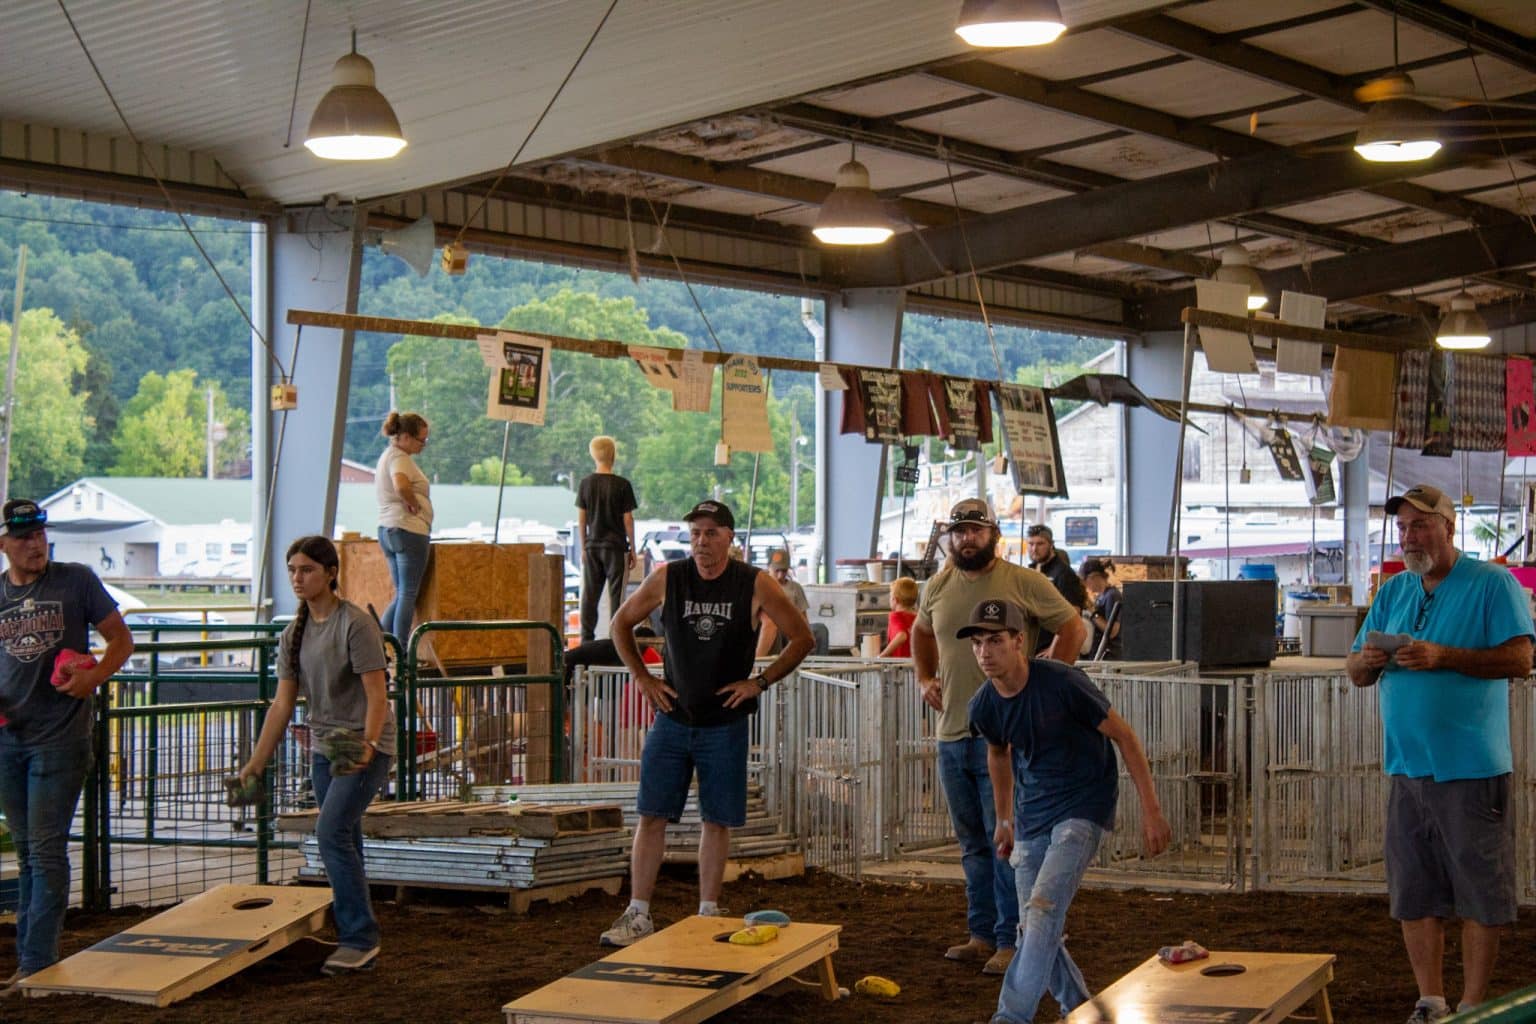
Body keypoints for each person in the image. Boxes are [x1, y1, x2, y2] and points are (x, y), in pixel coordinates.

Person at [1346, 485, 1534, 1023]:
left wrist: (1443, 656)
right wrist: (1371, 663)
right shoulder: (1393, 590)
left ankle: (1474, 1005)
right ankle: (1430, 1000)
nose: (1410, 537)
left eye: (1421, 525)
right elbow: (1354, 669)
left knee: (1480, 891)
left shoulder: (1492, 584)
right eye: (1403, 527)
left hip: (1471, 766)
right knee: (1414, 891)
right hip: (1407, 765)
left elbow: (1521, 659)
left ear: (1449, 528)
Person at [600, 500, 813, 947]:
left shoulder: (753, 583)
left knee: (717, 820)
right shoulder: (668, 577)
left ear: (730, 539)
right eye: (696, 532)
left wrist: (760, 681)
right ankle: (638, 912)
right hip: (673, 716)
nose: (702, 541)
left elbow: (802, 637)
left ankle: (709, 911)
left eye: (712, 532)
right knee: (651, 813)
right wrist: (642, 677)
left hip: (725, 720)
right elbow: (620, 624)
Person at [961, 599, 1170, 1024]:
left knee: (1040, 913)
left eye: (995, 640)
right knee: (1033, 927)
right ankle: (1082, 1009)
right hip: (1033, 811)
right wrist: (1004, 818)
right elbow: (998, 755)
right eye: (978, 642)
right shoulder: (984, 704)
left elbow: (1125, 736)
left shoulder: (1062, 683)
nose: (985, 652)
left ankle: (1011, 1017)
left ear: (1019, 642)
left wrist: (1151, 808)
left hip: (1083, 802)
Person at [912, 498, 1086, 978]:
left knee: (1008, 838)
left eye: (976, 530)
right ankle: (981, 933)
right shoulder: (937, 585)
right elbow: (921, 633)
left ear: (993, 535)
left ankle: (1013, 939)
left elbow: (1073, 626)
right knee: (972, 841)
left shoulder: (1024, 581)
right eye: (960, 530)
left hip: (1008, 735)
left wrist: (1050, 681)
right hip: (952, 732)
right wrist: (923, 677)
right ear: (951, 536)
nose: (967, 538)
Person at [238, 536, 396, 976]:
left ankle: (358, 937)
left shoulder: (355, 625)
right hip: (326, 744)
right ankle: (359, 937)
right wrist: (256, 761)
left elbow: (376, 691)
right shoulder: (294, 633)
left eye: (306, 569)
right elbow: (282, 704)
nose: (297, 578)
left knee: (330, 833)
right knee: (344, 835)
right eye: (292, 570)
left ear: (330, 573)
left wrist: (367, 743)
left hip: (362, 742)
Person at [0, 499, 134, 988]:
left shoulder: (75, 580)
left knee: (45, 848)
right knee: (31, 851)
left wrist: (94, 677)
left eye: (39, 534)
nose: (34, 544)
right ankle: (32, 958)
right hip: (10, 736)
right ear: (4, 545)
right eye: (23, 537)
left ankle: (35, 962)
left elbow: (121, 638)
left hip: (61, 736)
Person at [375, 411, 432, 646]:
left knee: (401, 593)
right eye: (421, 440)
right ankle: (400, 647)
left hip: (388, 529)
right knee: (409, 593)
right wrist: (414, 503)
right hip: (408, 530)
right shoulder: (400, 458)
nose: (423, 445)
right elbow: (400, 485)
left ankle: (378, 639)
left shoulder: (387, 456)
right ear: (406, 437)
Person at [576, 435, 638, 643]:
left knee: (590, 595)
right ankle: (616, 640)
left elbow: (581, 520)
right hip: (616, 547)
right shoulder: (622, 485)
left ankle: (586, 639)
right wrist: (633, 548)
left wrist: (584, 547)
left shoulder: (585, 484)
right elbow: (628, 519)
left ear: (593, 455)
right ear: (613, 455)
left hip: (593, 546)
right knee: (617, 597)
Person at [1025, 524, 1087, 654]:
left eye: (1040, 544)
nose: (1034, 549)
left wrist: (1054, 648)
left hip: (1050, 648)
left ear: (1051, 544)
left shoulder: (1064, 573)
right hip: (1032, 646)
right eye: (1031, 544)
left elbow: (1073, 614)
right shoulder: (1031, 571)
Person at [755, 549, 809, 657]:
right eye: (777, 571)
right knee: (774, 628)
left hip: (792, 627)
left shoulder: (795, 588)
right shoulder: (760, 586)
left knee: (820, 630)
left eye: (784, 571)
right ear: (768, 567)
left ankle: (815, 664)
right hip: (770, 627)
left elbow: (804, 618)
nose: (780, 575)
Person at [1078, 558, 1122, 661]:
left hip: (1110, 656)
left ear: (1094, 577)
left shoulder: (1112, 596)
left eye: (1085, 581)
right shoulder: (1101, 597)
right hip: (1099, 654)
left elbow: (1112, 631)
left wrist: (1092, 612)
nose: (1085, 586)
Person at [879, 576, 919, 658]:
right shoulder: (917, 616)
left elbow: (902, 636)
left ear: (895, 600)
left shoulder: (895, 616)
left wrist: (882, 656)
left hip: (900, 665)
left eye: (890, 596)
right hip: (914, 664)